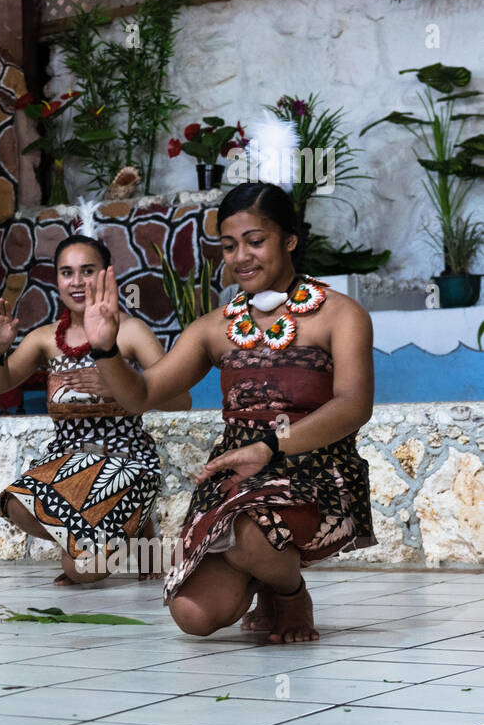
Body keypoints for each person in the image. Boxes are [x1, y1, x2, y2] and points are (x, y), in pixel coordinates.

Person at [82, 181, 375, 642]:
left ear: (290, 240)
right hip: (235, 481)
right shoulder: (214, 328)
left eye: (255, 241)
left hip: (314, 469)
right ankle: (264, 576)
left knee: (253, 530)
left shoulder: (340, 314)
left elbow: (355, 405)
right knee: (194, 616)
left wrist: (272, 446)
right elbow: (141, 394)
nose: (241, 256)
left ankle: (290, 593)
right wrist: (104, 350)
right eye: (229, 245)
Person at [0, 206, 190, 586]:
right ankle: (117, 535)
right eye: (67, 272)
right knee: (14, 504)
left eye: (87, 270)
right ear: (57, 281)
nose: (76, 281)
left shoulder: (131, 332)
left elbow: (182, 400)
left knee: (79, 570)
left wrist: (121, 382)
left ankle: (121, 532)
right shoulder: (45, 338)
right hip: (66, 465)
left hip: (125, 462)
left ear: (107, 275)